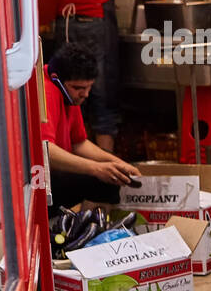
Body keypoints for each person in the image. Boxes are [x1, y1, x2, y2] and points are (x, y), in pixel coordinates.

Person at [51, 0, 165, 153]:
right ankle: (104, 169)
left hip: (65, 26)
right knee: (102, 91)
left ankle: (70, 168)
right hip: (95, 24)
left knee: (69, 93)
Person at [41, 43, 141, 209]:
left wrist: (119, 163)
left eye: (89, 87)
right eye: (79, 88)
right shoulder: (47, 91)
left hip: (56, 170)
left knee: (114, 170)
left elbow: (79, 143)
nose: (85, 94)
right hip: (39, 180)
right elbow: (44, 151)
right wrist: (96, 169)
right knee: (103, 182)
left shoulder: (70, 94)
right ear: (57, 78)